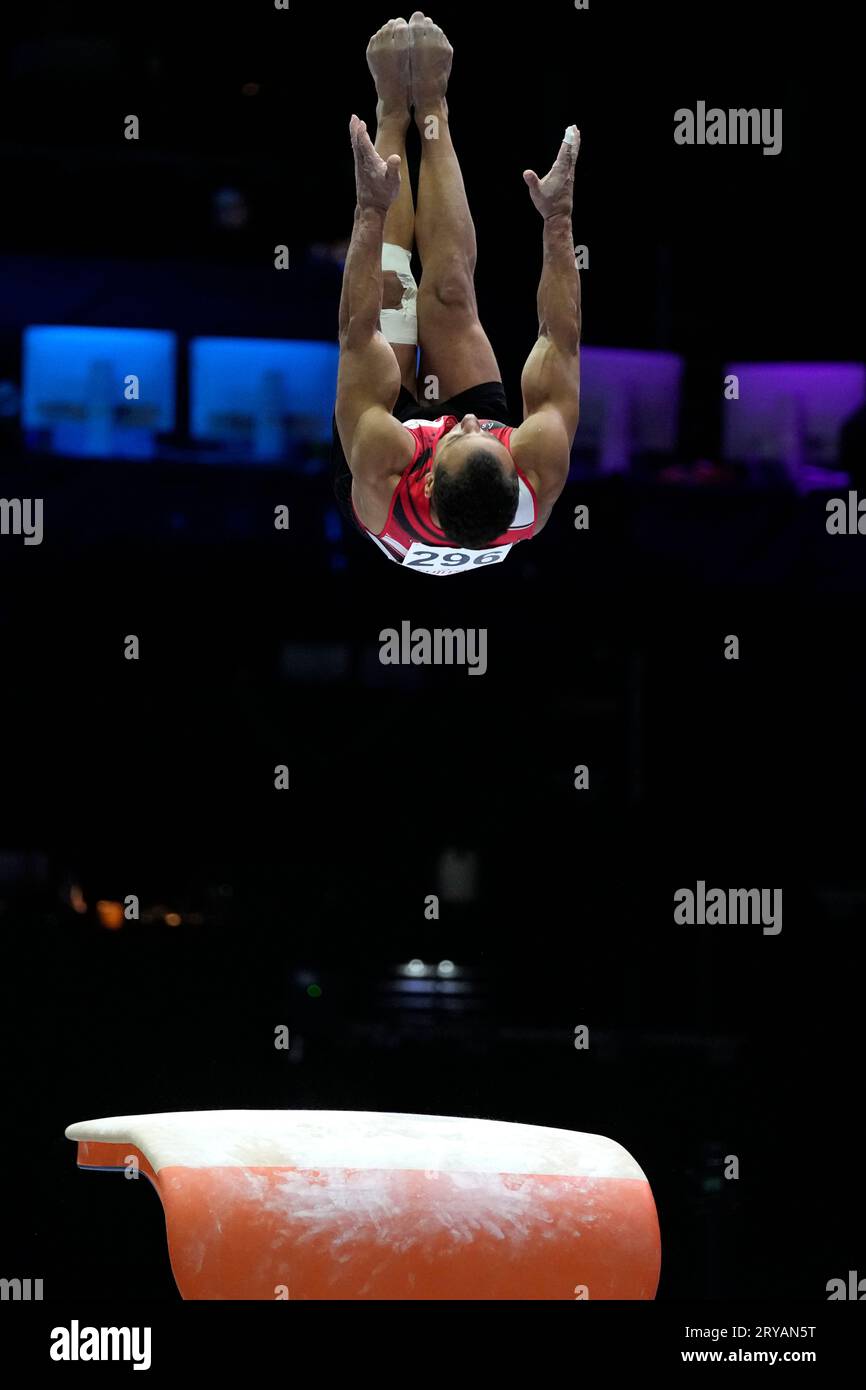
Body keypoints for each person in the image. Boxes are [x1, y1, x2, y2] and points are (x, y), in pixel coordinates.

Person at [332, 13, 581, 575]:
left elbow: (358, 333)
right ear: (515, 470)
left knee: (393, 285)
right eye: (488, 434)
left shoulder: (384, 471)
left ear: (426, 471)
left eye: (456, 432)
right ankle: (435, 105)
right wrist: (558, 221)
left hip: (382, 471)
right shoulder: (538, 473)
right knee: (448, 293)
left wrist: (371, 207)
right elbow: (559, 341)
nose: (464, 420)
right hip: (460, 479)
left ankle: (392, 108)